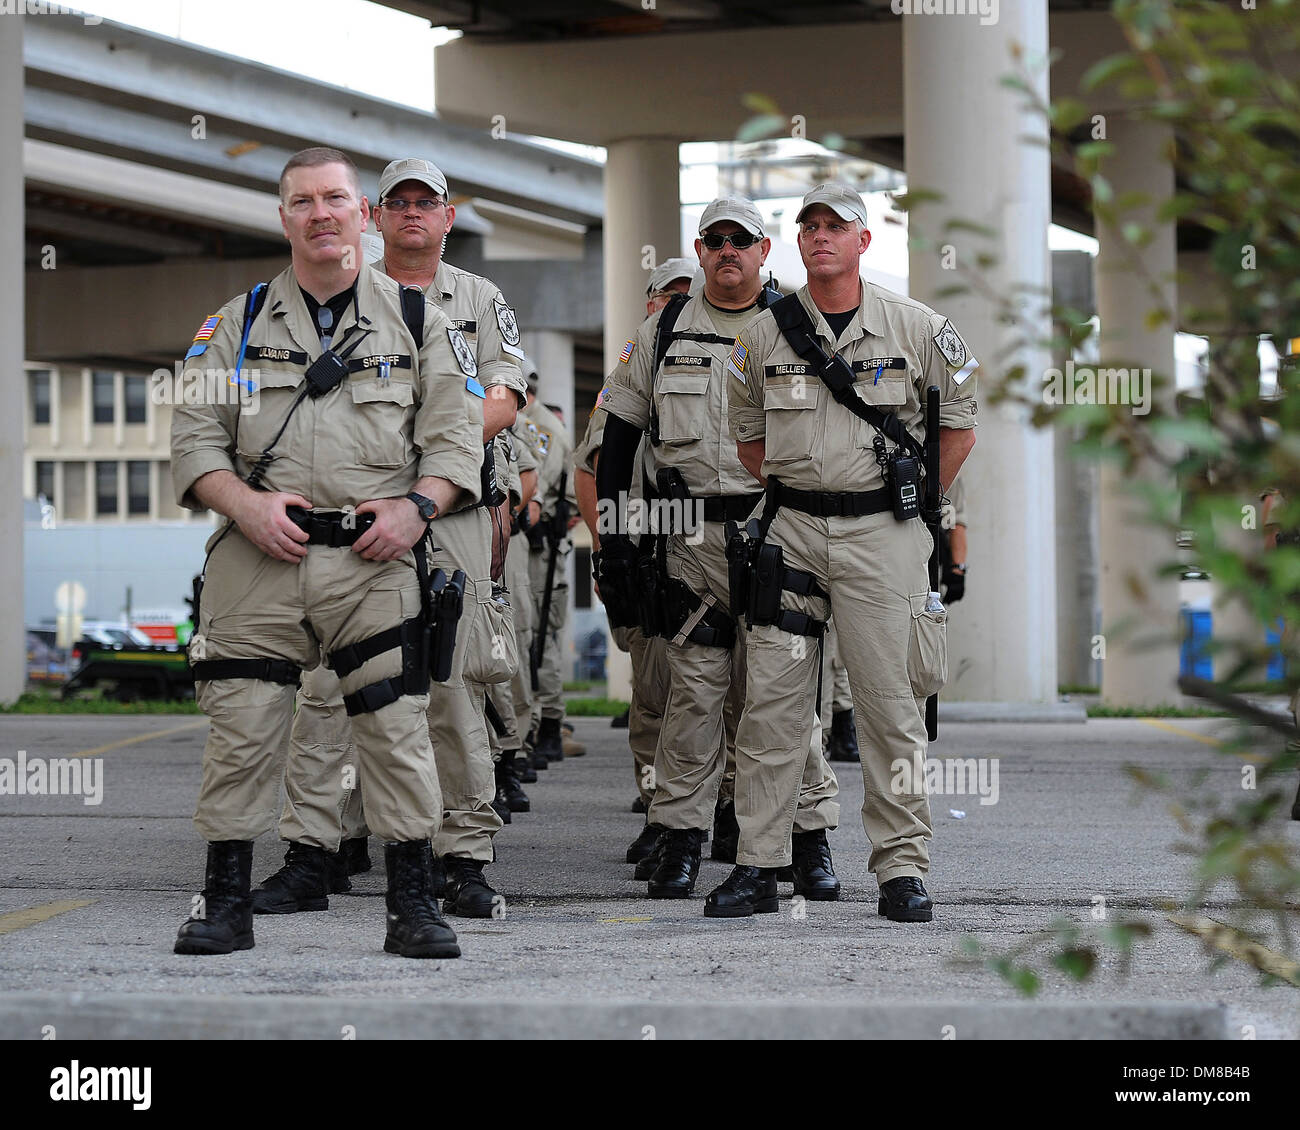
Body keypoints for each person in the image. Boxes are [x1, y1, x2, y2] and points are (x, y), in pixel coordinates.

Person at [170, 146, 482, 958]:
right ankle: (226, 905)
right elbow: (192, 437)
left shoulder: (421, 322)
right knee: (241, 728)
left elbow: (456, 442)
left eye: (335, 199)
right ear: (284, 217)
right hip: (257, 557)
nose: (321, 214)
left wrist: (418, 509)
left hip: (373, 561)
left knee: (394, 731)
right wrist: (244, 503)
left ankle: (413, 907)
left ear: (362, 214)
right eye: (303, 201)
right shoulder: (233, 325)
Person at [249, 156, 527, 922]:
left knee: (449, 680)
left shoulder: (477, 298)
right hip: (353, 513)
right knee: (330, 683)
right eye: (397, 201)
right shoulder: (340, 287)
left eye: (426, 203)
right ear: (374, 214)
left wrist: (427, 461)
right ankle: (315, 848)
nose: (412, 213)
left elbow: (503, 397)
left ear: (446, 215)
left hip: (449, 509)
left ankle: (462, 854)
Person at [708, 182, 977, 921]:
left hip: (882, 537)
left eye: (837, 226)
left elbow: (957, 428)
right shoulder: (762, 337)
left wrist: (908, 504)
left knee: (891, 707)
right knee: (772, 706)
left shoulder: (917, 327)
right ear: (797, 242)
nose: (821, 235)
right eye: (810, 225)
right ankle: (760, 866)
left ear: (864, 241)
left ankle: (901, 871)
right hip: (790, 534)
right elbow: (749, 438)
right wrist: (806, 493)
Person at [598, 196, 841, 901]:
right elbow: (619, 440)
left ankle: (809, 840)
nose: (727, 250)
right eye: (715, 240)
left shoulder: (800, 326)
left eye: (742, 240)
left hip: (778, 533)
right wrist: (615, 547)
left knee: (785, 701)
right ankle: (679, 840)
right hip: (688, 539)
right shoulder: (666, 328)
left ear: (766, 252)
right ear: (699, 252)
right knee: (691, 700)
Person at [573, 259, 692, 843]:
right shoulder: (628, 370)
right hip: (645, 545)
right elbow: (593, 469)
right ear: (649, 302)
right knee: (652, 691)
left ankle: (720, 807)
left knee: (722, 690)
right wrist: (607, 549)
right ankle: (658, 809)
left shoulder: (740, 355)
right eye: (668, 295)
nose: (677, 304)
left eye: (687, 296)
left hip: (709, 543)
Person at [520, 369, 579, 763]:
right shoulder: (536, 425)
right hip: (532, 545)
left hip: (539, 546)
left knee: (540, 638)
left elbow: (542, 491)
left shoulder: (538, 429)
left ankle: (549, 726)